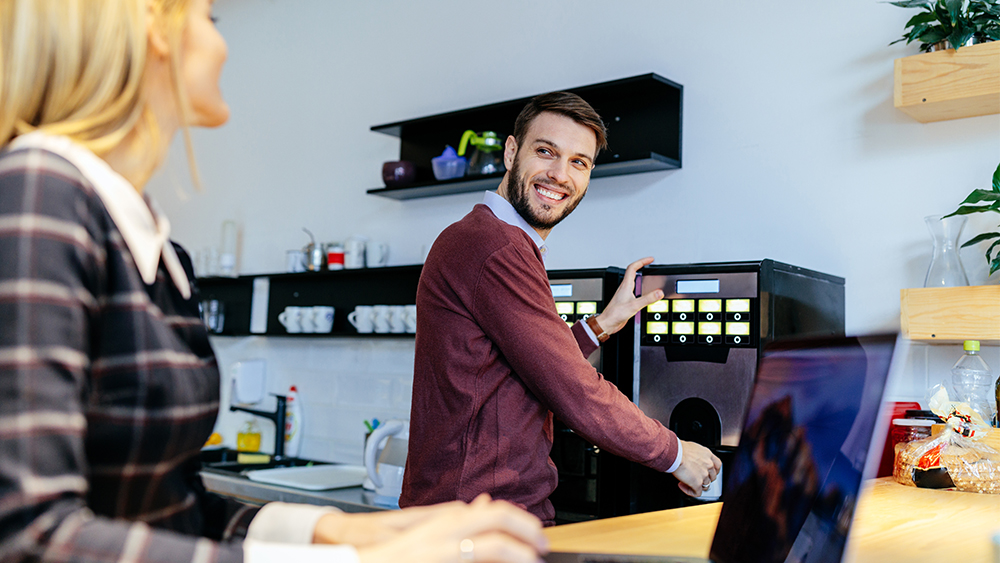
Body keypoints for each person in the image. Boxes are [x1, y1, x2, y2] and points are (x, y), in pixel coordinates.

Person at [0, 1, 548, 562]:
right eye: (210, 22)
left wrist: (337, 532)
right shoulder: (40, 190)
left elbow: (175, 507)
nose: (222, 46)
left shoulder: (157, 247)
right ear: (152, 32)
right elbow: (31, 536)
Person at [401, 92, 722, 524]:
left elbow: (518, 364)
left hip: (471, 517)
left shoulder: (488, 240)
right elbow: (572, 388)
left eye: (579, 162)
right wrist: (676, 454)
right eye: (546, 151)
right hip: (476, 525)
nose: (559, 174)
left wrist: (602, 324)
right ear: (512, 151)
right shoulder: (494, 246)